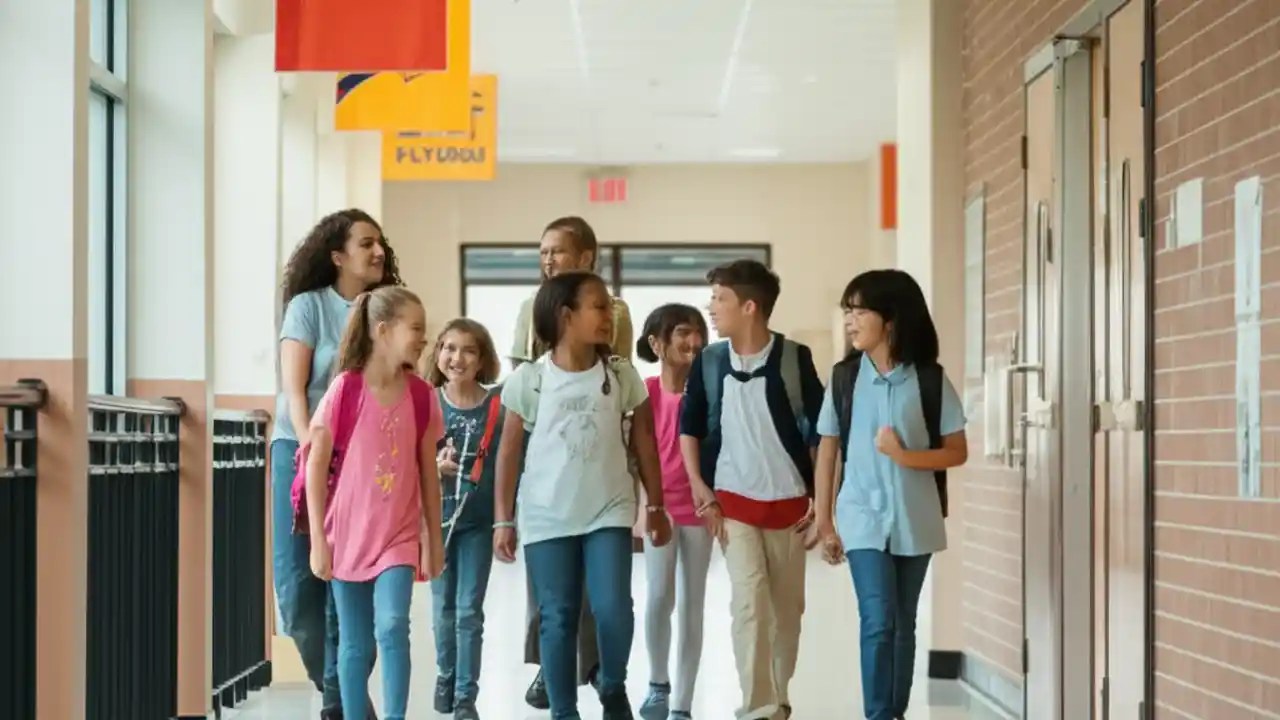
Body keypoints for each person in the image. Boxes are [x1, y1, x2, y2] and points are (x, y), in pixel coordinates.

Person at [493, 271, 672, 720]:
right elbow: (508, 456)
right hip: (546, 515)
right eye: (597, 305)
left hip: (608, 509)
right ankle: (564, 711)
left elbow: (645, 443)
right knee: (557, 615)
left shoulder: (622, 376)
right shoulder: (529, 381)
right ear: (566, 315)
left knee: (613, 607)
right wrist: (503, 520)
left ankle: (612, 683)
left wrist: (655, 505)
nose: (608, 315)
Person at [813, 270, 968, 720]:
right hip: (861, 516)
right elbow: (828, 452)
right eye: (849, 311)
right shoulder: (844, 378)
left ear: (892, 319)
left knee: (902, 624)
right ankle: (879, 715)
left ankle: (894, 713)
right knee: (878, 621)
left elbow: (956, 452)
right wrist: (825, 520)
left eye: (860, 311)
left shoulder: (929, 380)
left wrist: (904, 455)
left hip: (915, 518)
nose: (851, 321)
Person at [679, 259, 824, 720]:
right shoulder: (709, 361)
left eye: (719, 297)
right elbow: (691, 428)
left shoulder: (794, 359)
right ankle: (757, 706)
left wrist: (822, 501)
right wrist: (701, 486)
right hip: (733, 505)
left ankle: (780, 700)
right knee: (749, 605)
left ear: (749, 306)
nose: (711, 306)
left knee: (786, 613)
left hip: (790, 506)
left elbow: (823, 434)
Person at [272, 208, 402, 719]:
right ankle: (338, 688)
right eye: (366, 243)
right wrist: (311, 450)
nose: (378, 252)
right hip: (300, 451)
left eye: (380, 244)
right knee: (297, 591)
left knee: (350, 584)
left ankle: (339, 697)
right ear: (337, 256)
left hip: (363, 460)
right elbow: (294, 389)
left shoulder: (383, 312)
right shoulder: (307, 308)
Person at [508, 216, 634, 708]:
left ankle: (601, 670)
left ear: (585, 258)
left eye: (557, 251)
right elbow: (523, 376)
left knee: (604, 598)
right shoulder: (530, 309)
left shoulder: (614, 311)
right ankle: (552, 672)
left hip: (597, 458)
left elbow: (612, 371)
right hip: (548, 455)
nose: (548, 260)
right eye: (542, 252)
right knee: (552, 600)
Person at [304, 286, 445, 720]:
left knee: (392, 627)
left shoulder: (422, 396)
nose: (424, 338)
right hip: (346, 533)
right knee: (355, 642)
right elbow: (314, 466)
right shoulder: (345, 390)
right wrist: (317, 541)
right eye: (416, 328)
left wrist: (433, 539)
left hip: (398, 535)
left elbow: (427, 473)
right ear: (383, 331)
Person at [634, 305, 713, 720]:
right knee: (658, 597)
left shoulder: (707, 391)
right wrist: (644, 506)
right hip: (659, 510)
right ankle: (657, 682)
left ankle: (682, 702)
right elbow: (634, 455)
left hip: (699, 510)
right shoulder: (643, 392)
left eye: (699, 333)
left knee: (693, 604)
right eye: (682, 332)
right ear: (656, 343)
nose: (694, 341)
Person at [425, 319, 505, 720]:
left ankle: (464, 697)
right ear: (438, 352)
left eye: (468, 350)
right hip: (434, 523)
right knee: (442, 608)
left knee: (469, 609)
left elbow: (510, 466)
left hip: (477, 522)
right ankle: (445, 672)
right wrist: (432, 465)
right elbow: (405, 457)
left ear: (482, 358)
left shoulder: (497, 407)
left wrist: (506, 521)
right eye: (449, 348)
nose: (457, 358)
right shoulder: (425, 401)